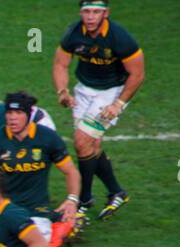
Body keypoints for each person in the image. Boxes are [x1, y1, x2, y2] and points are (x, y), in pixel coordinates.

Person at [53, 0, 144, 219]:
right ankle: (116, 192)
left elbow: (138, 73)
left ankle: (83, 200)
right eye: (86, 11)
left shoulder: (120, 38)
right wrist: (62, 91)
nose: (91, 16)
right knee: (89, 146)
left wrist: (118, 104)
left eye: (96, 11)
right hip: (84, 89)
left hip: (111, 92)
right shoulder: (74, 34)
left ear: (106, 13)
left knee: (81, 141)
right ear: (81, 13)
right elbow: (60, 64)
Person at [0, 92, 82, 247]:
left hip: (37, 210)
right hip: (4, 209)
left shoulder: (47, 138)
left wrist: (72, 200)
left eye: (18, 113)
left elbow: (71, 172)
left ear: (29, 115)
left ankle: (60, 222)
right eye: (9, 112)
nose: (13, 118)